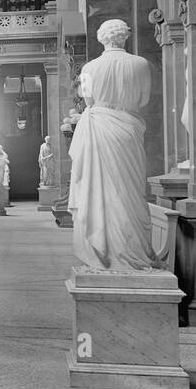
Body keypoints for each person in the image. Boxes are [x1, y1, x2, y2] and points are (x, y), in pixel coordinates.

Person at [68, 20, 164, 271]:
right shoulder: (141, 64)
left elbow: (88, 100)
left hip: (100, 128)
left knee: (102, 191)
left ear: (102, 38)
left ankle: (106, 252)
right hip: (129, 129)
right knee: (129, 190)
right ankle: (135, 252)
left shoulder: (89, 68)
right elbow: (143, 99)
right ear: (125, 37)